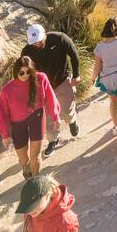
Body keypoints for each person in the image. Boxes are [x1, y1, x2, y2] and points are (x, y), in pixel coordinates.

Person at [21, 24, 81, 157]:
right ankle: (53, 140)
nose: (37, 44)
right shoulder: (27, 51)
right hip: (42, 86)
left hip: (62, 79)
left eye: (39, 41)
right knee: (47, 115)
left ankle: (72, 121)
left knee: (66, 110)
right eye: (34, 43)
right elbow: (25, 70)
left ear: (44, 35)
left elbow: (74, 54)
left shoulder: (59, 39)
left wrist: (76, 75)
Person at [0, 56, 61, 179]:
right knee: (23, 159)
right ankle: (25, 167)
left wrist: (55, 116)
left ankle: (35, 180)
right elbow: (3, 113)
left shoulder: (41, 78)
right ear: (15, 72)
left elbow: (50, 98)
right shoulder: (6, 90)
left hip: (36, 118)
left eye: (29, 72)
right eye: (21, 72)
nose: (25, 75)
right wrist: (5, 134)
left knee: (35, 157)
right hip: (17, 124)